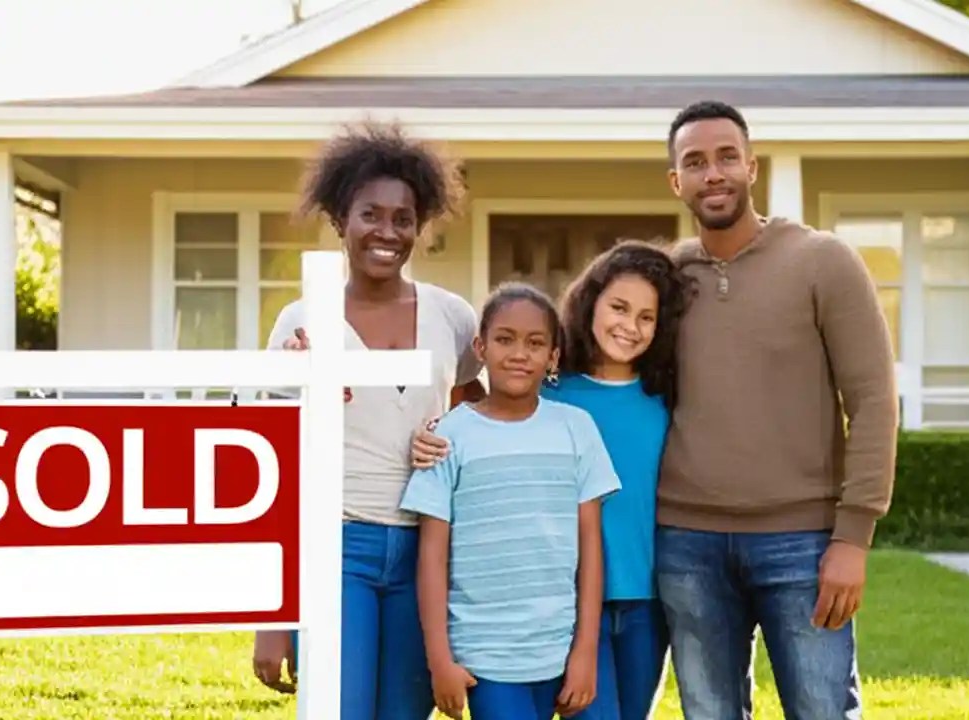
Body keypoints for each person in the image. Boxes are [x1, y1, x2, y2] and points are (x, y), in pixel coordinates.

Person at [657, 100, 898, 720]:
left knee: (821, 710)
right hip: (686, 544)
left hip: (802, 544)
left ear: (752, 167)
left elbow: (872, 400)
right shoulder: (666, 278)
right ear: (675, 181)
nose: (713, 173)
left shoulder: (822, 261)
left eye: (726, 157)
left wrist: (854, 536)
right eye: (695, 161)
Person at [251, 121, 486, 720]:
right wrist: (272, 619)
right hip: (337, 546)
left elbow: (482, 415)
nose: (387, 231)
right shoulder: (302, 322)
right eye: (370, 214)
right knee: (342, 709)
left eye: (402, 218)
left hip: (425, 551)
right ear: (339, 219)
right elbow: (274, 471)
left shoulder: (452, 317)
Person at [411, 240, 687, 720]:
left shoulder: (665, 397)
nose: (629, 324)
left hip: (647, 597)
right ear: (591, 304)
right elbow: (493, 411)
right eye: (618, 307)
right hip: (570, 606)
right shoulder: (558, 395)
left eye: (647, 316)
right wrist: (429, 430)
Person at [399, 283, 622, 720]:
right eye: (505, 339)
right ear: (480, 348)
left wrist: (585, 652)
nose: (519, 353)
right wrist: (440, 660)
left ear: (553, 357)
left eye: (535, 343)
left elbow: (591, 548)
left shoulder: (577, 428)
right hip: (486, 657)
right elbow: (431, 556)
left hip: (561, 647)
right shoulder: (448, 436)